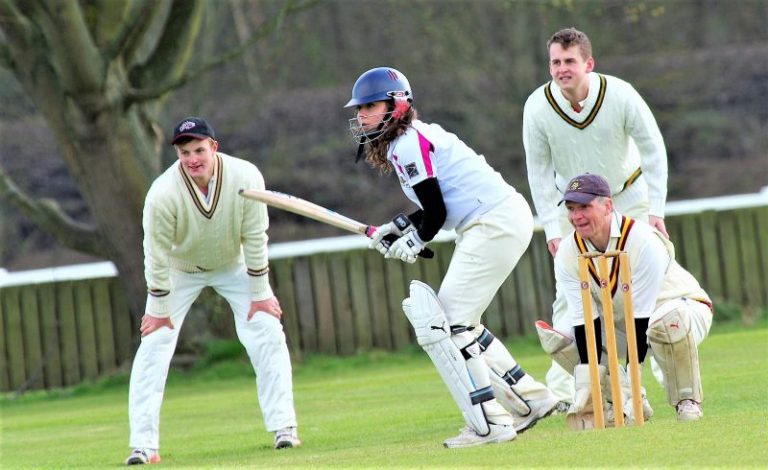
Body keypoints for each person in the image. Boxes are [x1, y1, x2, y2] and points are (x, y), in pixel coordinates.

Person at [345, 67, 558, 448]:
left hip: (493, 221)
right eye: (359, 109)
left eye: (370, 106)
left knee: (451, 325)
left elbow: (436, 214)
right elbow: (431, 209)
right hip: (495, 219)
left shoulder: (409, 141)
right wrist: (398, 229)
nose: (361, 116)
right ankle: (530, 400)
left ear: (397, 105)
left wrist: (413, 241)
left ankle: (492, 423)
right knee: (463, 323)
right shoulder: (408, 140)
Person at [125, 117, 300, 465]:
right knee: (154, 346)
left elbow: (255, 235)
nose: (193, 159)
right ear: (177, 153)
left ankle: (284, 428)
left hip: (233, 264)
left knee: (267, 330)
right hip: (180, 270)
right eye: (185, 152)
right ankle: (144, 446)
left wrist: (261, 291)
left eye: (199, 150)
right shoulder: (162, 194)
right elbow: (155, 253)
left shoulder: (246, 175)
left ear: (214, 148)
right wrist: (158, 308)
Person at [523, 27, 670, 406]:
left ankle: (668, 380)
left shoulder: (620, 94)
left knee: (653, 289)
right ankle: (573, 392)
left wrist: (656, 211)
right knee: (569, 294)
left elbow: (653, 150)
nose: (561, 69)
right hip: (573, 207)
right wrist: (551, 229)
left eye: (570, 61)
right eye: (555, 62)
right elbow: (538, 172)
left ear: (588, 63)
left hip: (627, 197)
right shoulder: (537, 107)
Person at [553, 173, 712, 428]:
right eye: (571, 209)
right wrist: (589, 384)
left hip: (682, 309)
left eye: (584, 207)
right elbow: (585, 321)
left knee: (666, 320)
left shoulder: (642, 240)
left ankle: (687, 399)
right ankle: (615, 401)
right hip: (622, 323)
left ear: (608, 206)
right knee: (560, 337)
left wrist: (632, 378)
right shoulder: (568, 252)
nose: (576, 216)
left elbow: (641, 317)